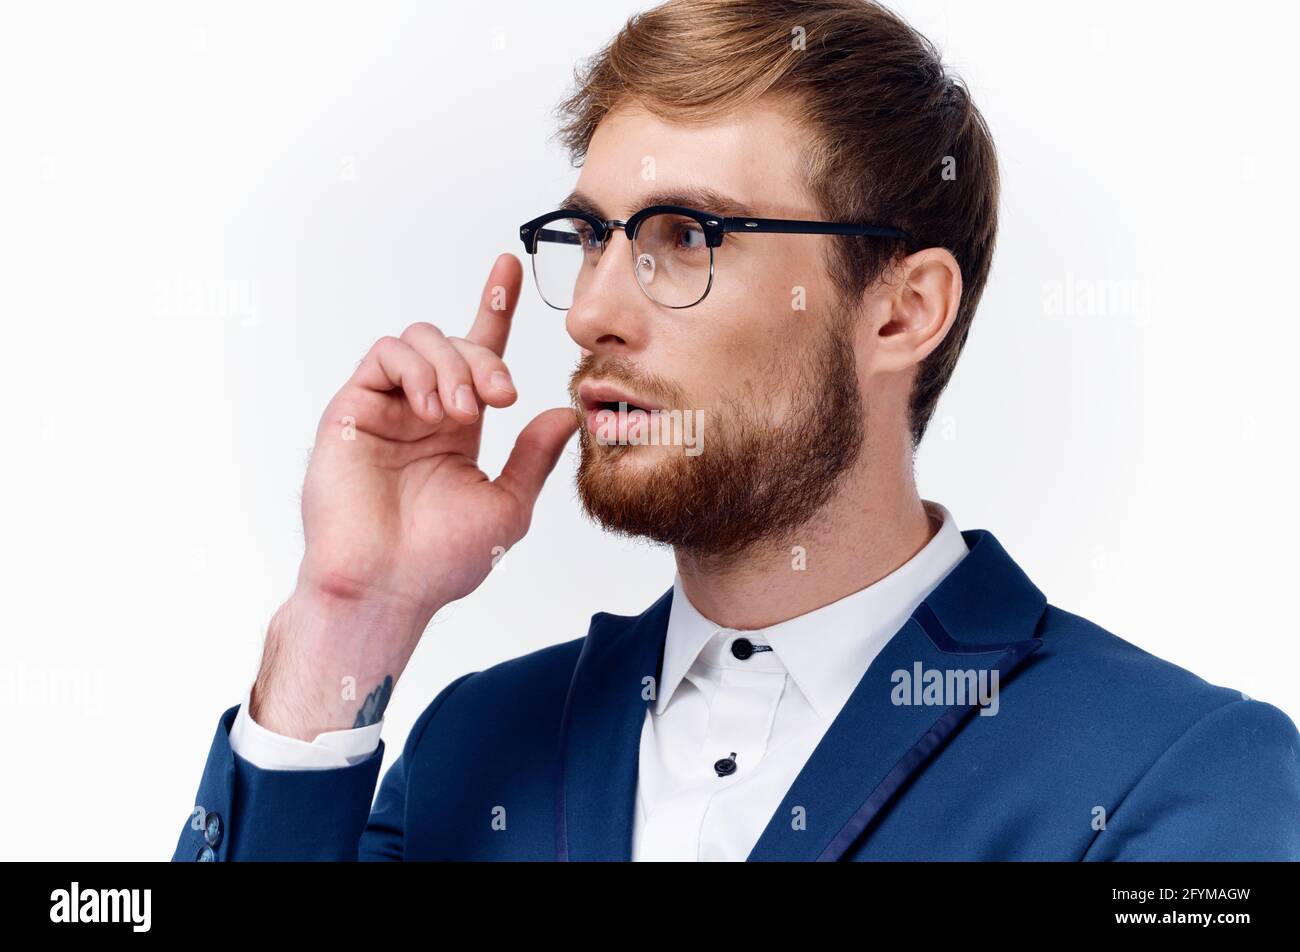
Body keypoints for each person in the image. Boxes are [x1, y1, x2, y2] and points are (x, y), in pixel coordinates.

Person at [174, 0, 1300, 862]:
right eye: (593, 238)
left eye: (684, 236)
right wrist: (344, 620)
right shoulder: (479, 743)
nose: (601, 310)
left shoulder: (1182, 775)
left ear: (901, 309)